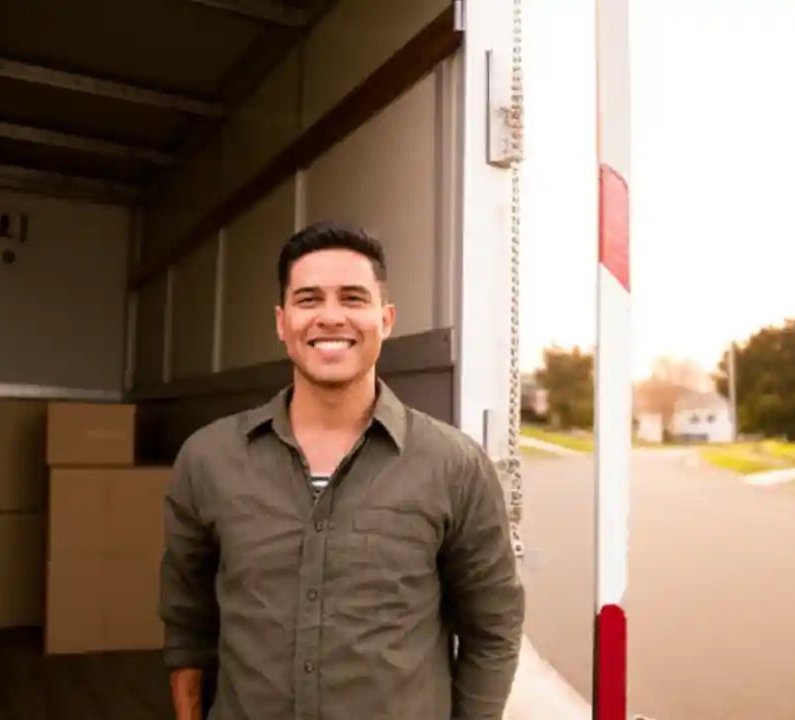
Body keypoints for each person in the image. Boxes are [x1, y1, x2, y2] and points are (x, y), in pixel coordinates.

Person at [159, 221, 525, 720]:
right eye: (308, 300)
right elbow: (188, 626)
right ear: (282, 321)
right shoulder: (207, 459)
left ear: (387, 318)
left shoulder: (454, 466)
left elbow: (493, 631)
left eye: (353, 298)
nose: (330, 317)